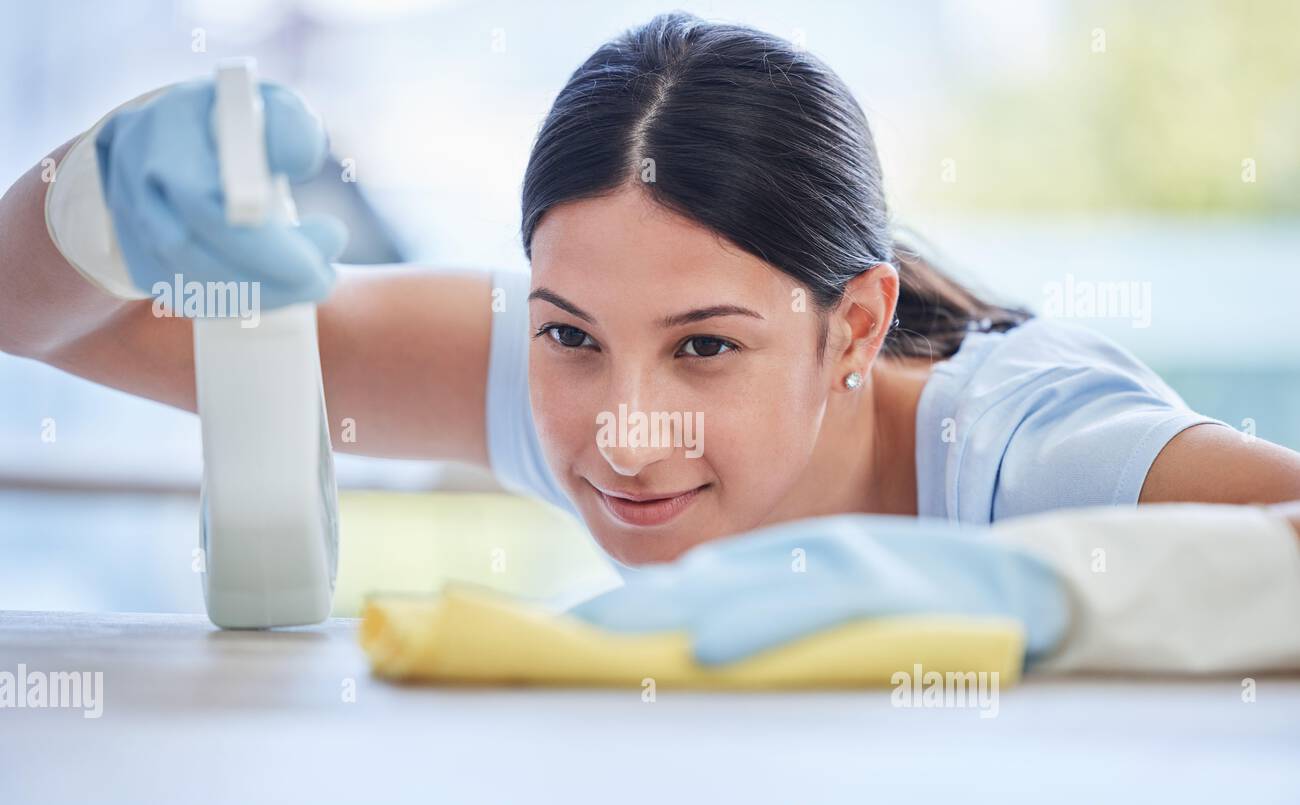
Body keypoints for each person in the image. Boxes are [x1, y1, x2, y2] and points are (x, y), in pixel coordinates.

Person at [2, 12, 1298, 574]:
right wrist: (89, 204)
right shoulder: (555, 367)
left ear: (852, 325)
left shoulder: (1037, 457)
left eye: (706, 350)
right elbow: (40, 313)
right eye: (569, 330)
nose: (622, 429)